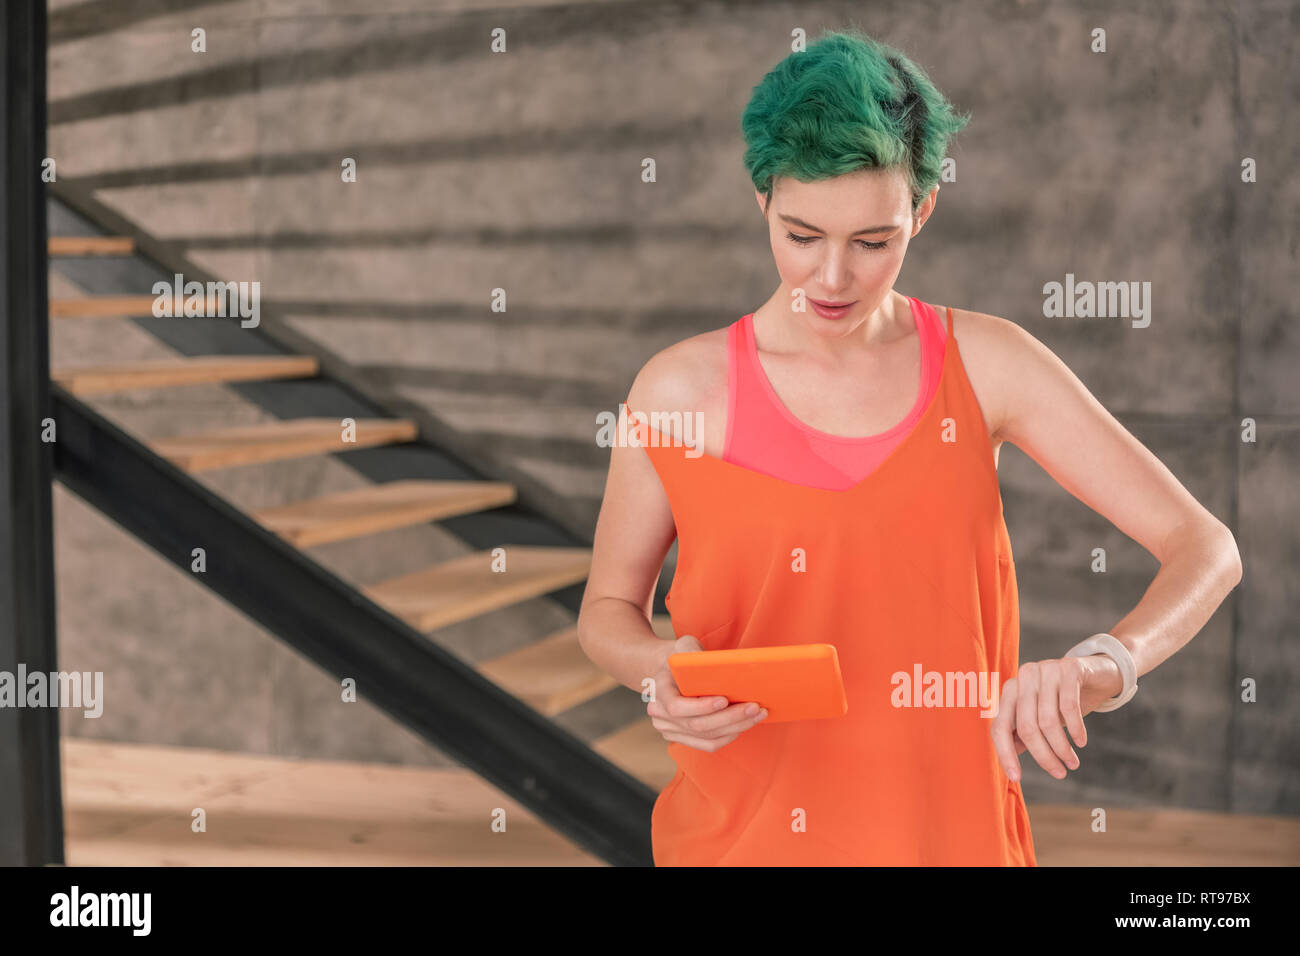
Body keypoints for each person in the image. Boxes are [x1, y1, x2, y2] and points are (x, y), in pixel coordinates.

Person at [576, 29, 1242, 866]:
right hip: (738, 841)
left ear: (922, 212)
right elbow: (606, 613)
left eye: (872, 242)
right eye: (800, 234)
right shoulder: (675, 392)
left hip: (955, 842)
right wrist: (656, 669)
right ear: (762, 203)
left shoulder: (987, 364)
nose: (830, 278)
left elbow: (1205, 547)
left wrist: (1105, 662)